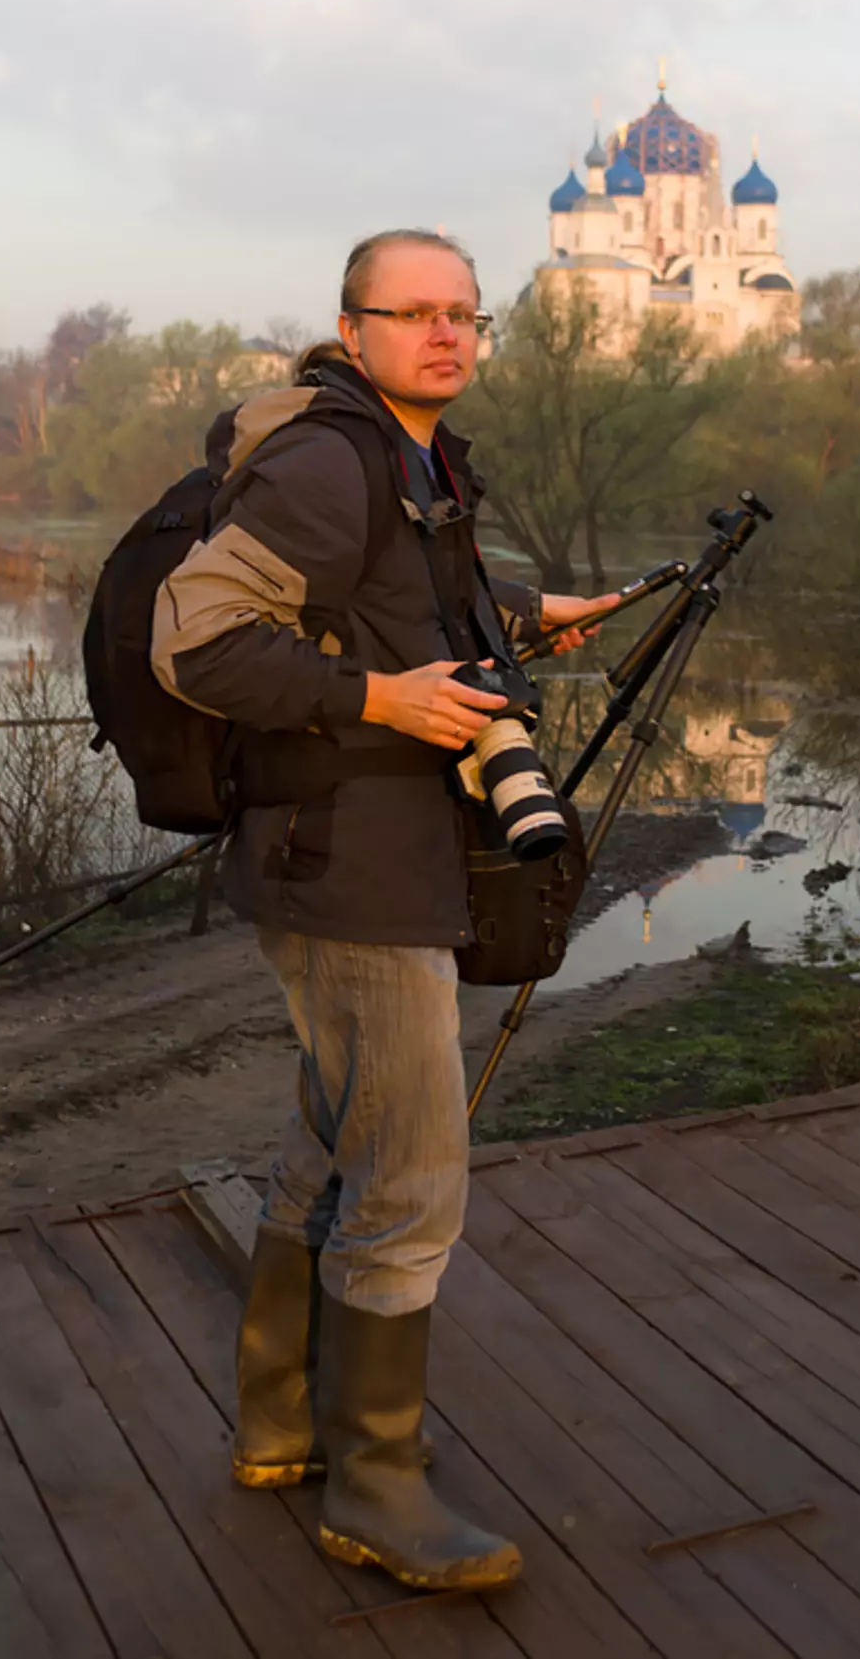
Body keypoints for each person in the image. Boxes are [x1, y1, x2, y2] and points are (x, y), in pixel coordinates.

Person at [151, 229, 615, 1593]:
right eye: (413, 314)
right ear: (352, 329)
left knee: (334, 1139)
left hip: (373, 850)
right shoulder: (327, 457)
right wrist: (378, 704)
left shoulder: (416, 459)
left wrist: (523, 613)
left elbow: (401, 602)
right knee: (411, 1177)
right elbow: (197, 636)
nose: (447, 335)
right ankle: (377, 1485)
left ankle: (285, 1430)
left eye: (465, 313)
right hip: (351, 860)